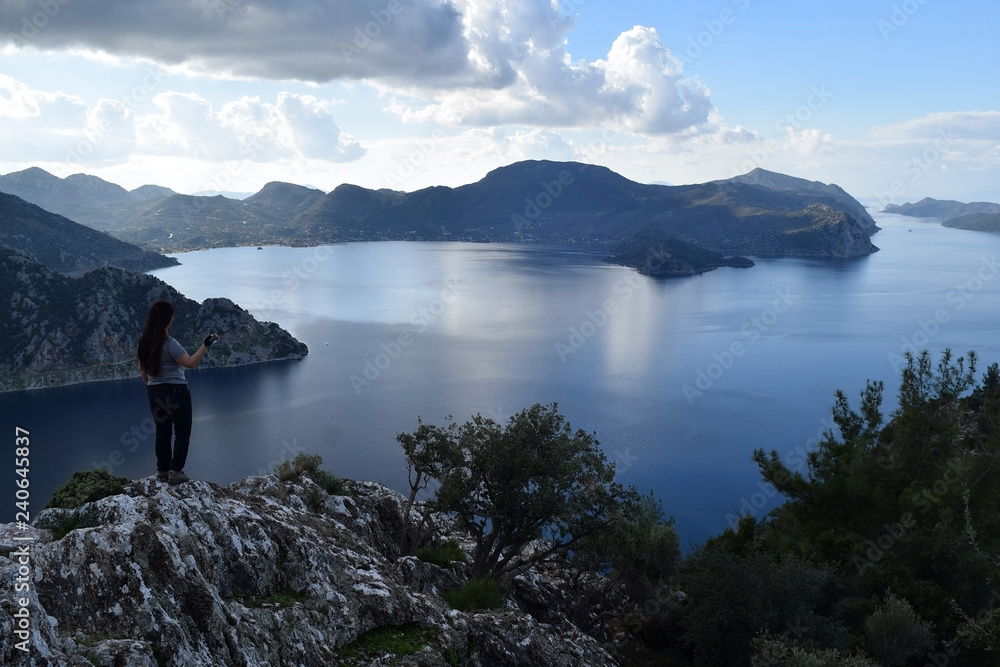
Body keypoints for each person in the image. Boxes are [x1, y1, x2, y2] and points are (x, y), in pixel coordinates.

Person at [136, 300, 220, 485]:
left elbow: (143, 372)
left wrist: (151, 387)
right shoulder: (169, 343)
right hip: (175, 392)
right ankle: (176, 471)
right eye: (171, 316)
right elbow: (190, 363)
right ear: (167, 319)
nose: (173, 318)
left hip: (154, 392)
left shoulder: (143, 343)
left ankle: (162, 471)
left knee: (162, 432)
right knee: (182, 431)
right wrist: (205, 345)